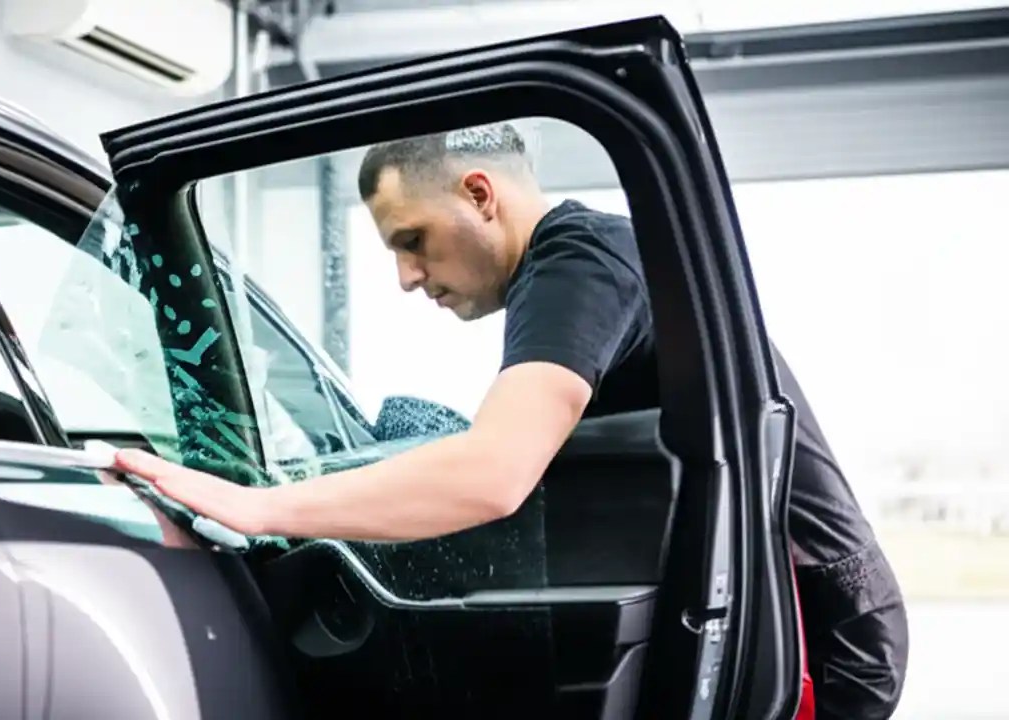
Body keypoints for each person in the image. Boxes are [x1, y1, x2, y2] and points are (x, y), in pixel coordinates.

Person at [112, 123, 909, 718]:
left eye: (413, 240)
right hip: (773, 598)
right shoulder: (577, 266)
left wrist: (257, 506)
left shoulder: (580, 262)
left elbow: (494, 472)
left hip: (811, 627)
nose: (406, 276)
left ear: (480, 194)